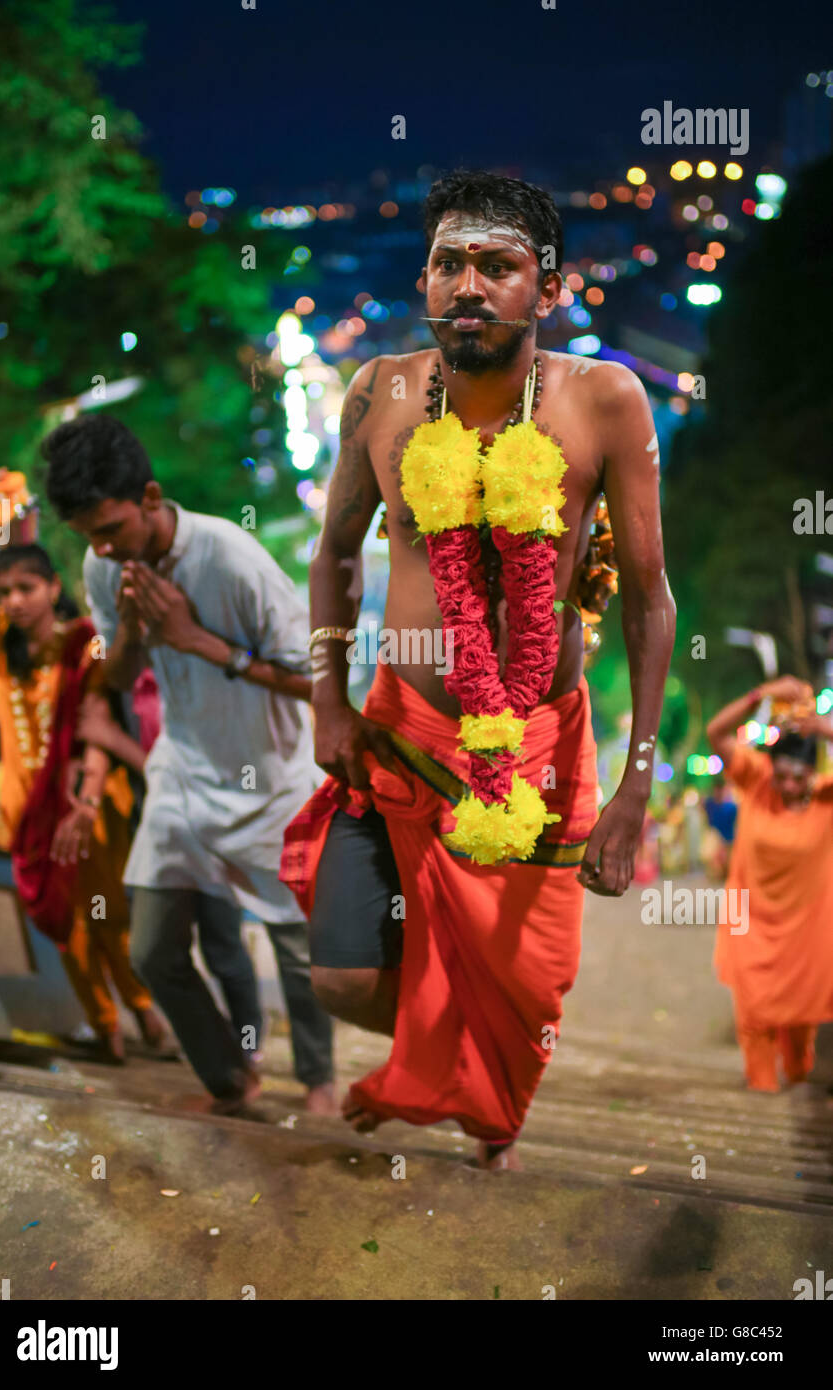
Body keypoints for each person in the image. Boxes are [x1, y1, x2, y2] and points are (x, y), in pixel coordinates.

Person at [280, 169, 676, 1168]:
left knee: (525, 989)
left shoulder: (605, 400)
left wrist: (635, 788)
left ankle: (476, 1087)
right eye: (447, 263)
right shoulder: (377, 392)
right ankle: (433, 1044)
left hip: (538, 751)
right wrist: (326, 697)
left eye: (495, 266)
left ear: (544, 290)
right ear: (422, 281)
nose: (467, 283)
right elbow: (332, 553)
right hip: (399, 730)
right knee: (334, 978)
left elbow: (647, 596)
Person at [41, 414, 336, 1116]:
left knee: (299, 954)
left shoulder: (232, 558)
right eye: (90, 537)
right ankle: (231, 1079)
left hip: (271, 776)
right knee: (153, 950)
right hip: (179, 771)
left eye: (111, 529)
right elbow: (115, 677)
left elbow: (318, 682)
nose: (103, 549)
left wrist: (200, 641)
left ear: (149, 496)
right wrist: (136, 636)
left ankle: (322, 1086)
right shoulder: (103, 564)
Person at [0, 468, 168, 1063]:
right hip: (26, 810)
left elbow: (99, 724)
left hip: (92, 803)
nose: (13, 601)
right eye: (4, 591)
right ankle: (106, 1027)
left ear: (54, 588)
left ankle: (145, 1015)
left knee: (111, 916)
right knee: (64, 926)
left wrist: (84, 800)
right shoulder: (1, 641)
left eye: (26, 588)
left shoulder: (87, 642)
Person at [707, 675, 833, 1092]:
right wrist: (760, 695)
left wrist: (826, 728)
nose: (789, 786)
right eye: (783, 776)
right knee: (754, 1016)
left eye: (799, 778)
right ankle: (759, 1088)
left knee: (799, 1029)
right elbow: (716, 732)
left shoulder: (826, 797)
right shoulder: (758, 779)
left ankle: (797, 1072)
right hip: (750, 923)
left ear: (813, 773)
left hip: (806, 932)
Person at [702, 779, 737, 880]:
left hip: (728, 838)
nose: (718, 792)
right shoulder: (710, 804)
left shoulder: (731, 807)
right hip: (714, 839)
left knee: (728, 863)